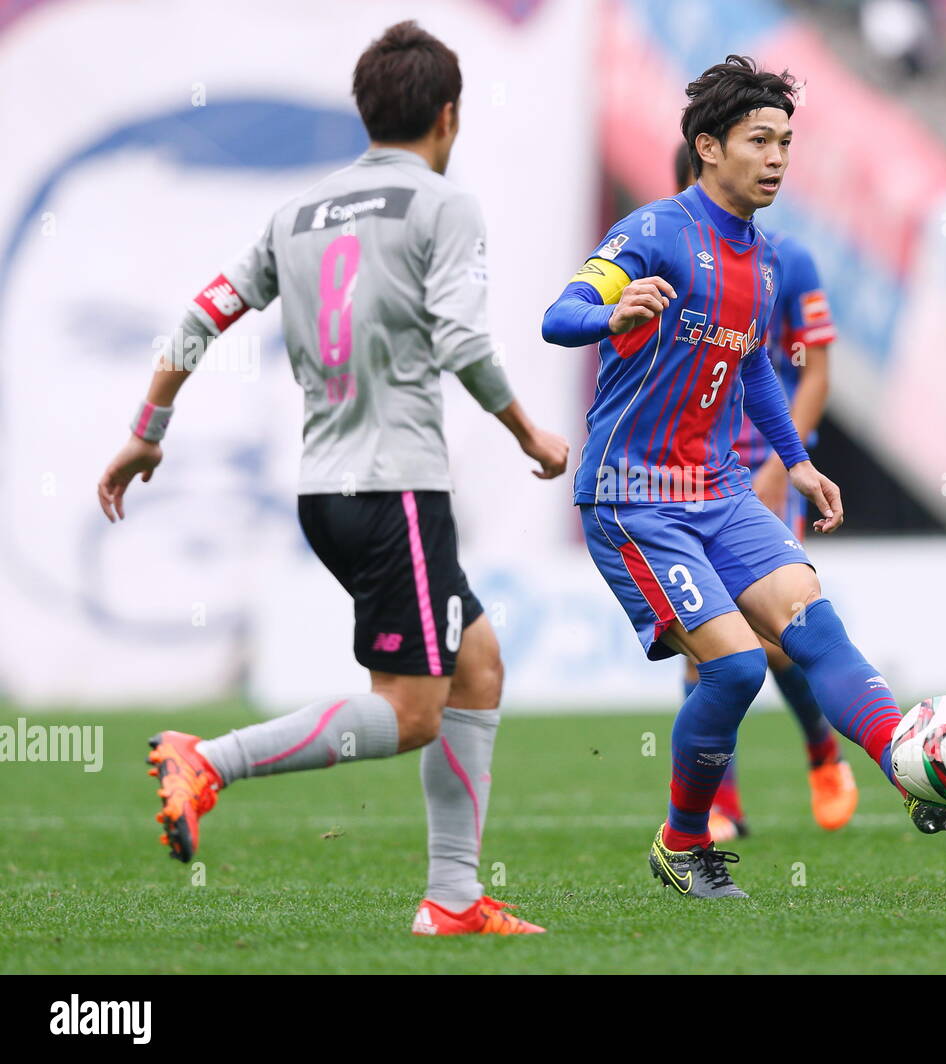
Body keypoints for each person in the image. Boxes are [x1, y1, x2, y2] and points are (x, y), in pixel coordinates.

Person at [96, 21, 568, 936]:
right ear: (447, 115)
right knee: (415, 711)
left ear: (365, 112)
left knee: (477, 665)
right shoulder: (443, 204)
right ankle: (210, 759)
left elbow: (201, 314)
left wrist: (147, 430)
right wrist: (529, 433)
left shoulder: (300, 213)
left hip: (327, 491)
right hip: (397, 487)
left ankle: (454, 901)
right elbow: (464, 340)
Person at [543, 55, 946, 901]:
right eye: (759, 140)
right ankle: (683, 843)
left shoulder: (767, 261)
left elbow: (759, 371)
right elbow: (558, 314)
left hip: (720, 488)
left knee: (814, 629)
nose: (777, 158)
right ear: (708, 146)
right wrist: (609, 312)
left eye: (786, 142)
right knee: (732, 669)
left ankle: (903, 763)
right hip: (634, 499)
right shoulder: (654, 231)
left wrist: (798, 464)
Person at [671, 142, 855, 842]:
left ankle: (821, 747)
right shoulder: (664, 257)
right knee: (709, 644)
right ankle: (721, 805)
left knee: (779, 642)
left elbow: (814, 372)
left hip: (762, 472)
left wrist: (785, 462)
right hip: (685, 479)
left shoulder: (785, 261)